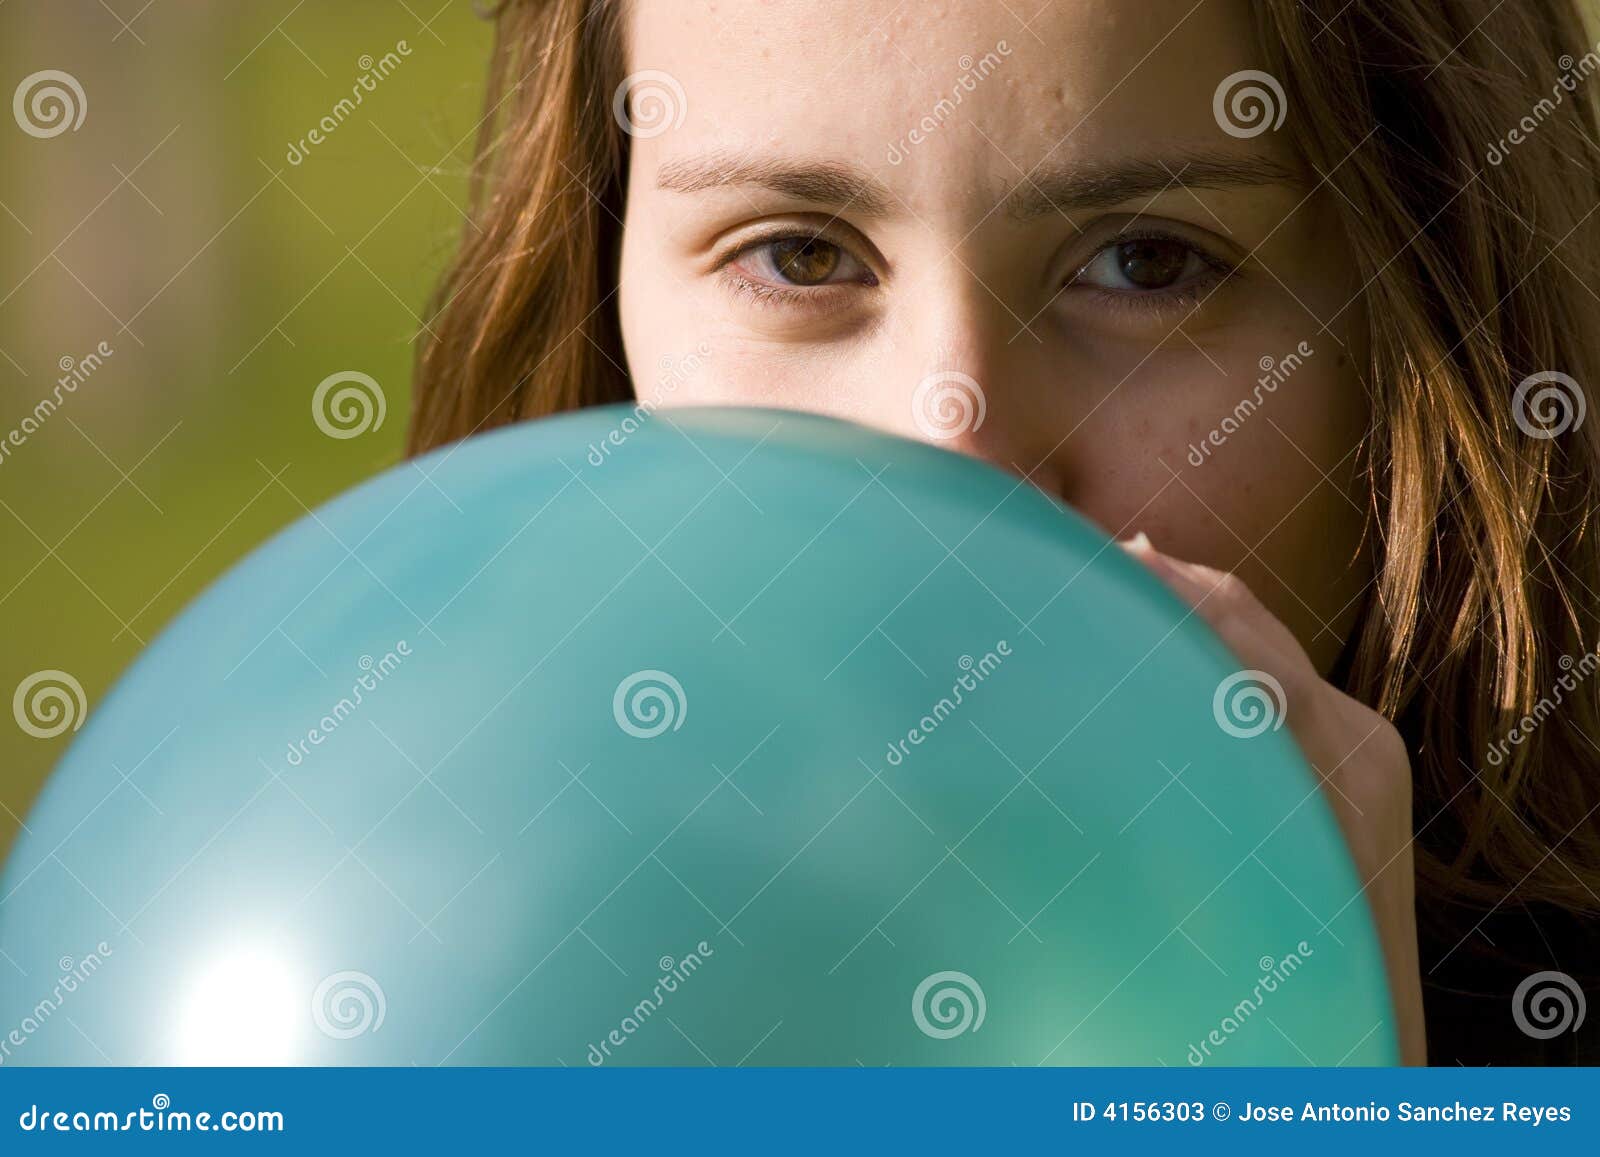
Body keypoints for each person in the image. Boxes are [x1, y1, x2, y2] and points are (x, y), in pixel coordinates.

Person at [407, 0, 1600, 1065]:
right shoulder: (391, 928)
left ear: (1443, 309)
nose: (956, 457)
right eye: (799, 255)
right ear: (602, 286)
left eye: (1146, 263)